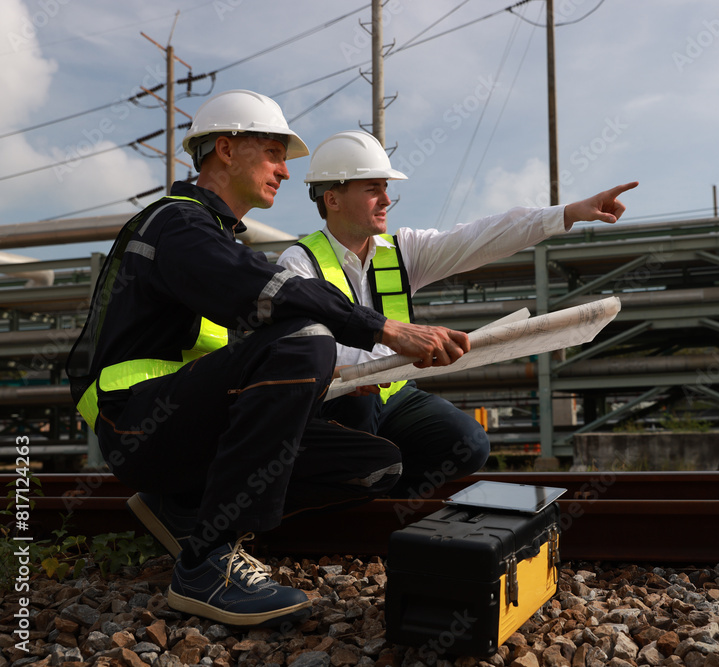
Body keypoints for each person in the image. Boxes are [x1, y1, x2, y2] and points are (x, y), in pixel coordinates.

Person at [65, 91, 470, 628]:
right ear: (227, 150)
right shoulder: (175, 224)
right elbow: (268, 292)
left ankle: (185, 507)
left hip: (186, 427)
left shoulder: (215, 238)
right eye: (275, 152)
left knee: (375, 464)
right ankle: (206, 563)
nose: (284, 170)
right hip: (137, 423)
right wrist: (383, 327)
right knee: (306, 338)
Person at [278, 129, 637, 498]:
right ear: (332, 198)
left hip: (394, 396)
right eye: (372, 189)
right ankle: (342, 495)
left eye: (385, 187)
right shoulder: (299, 264)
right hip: (337, 403)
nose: (387, 199)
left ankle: (380, 499)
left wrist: (567, 213)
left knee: (469, 444)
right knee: (360, 407)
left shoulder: (401, 251)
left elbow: (479, 238)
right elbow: (294, 355)